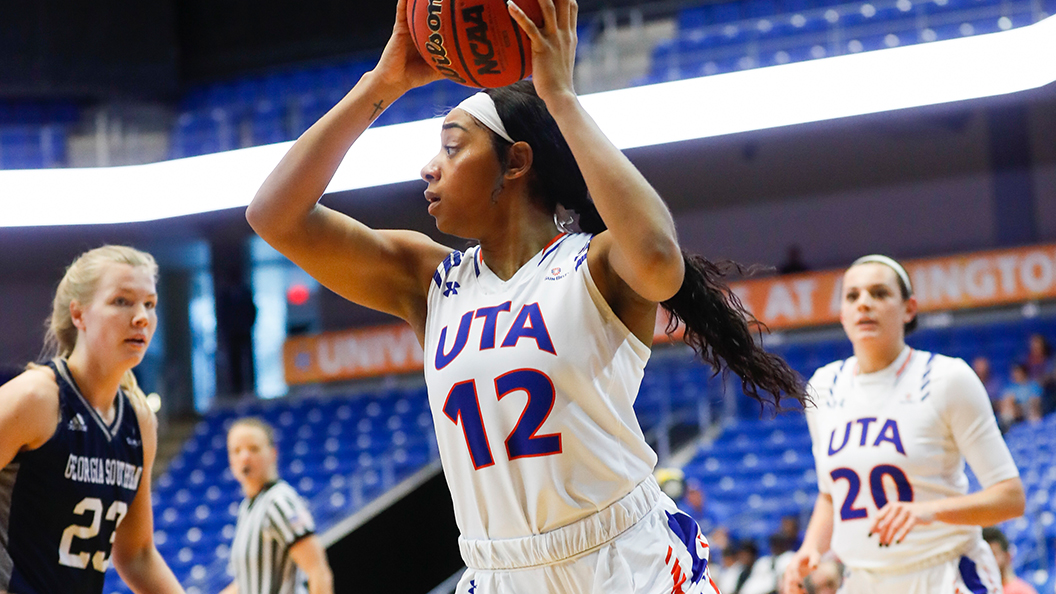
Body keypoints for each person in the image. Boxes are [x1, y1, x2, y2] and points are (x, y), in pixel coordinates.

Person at [246, 0, 806, 591]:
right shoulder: (429, 281)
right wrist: (381, 83)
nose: (427, 169)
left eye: (452, 147)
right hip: (498, 573)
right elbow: (274, 215)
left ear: (515, 162)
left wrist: (560, 97)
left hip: (620, 563)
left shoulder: (596, 262)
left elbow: (662, 260)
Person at [781, 255, 1025, 594]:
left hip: (945, 572)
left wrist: (928, 511)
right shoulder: (823, 386)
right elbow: (829, 493)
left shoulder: (946, 379)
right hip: (864, 580)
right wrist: (811, 548)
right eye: (852, 296)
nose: (864, 303)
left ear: (909, 309)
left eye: (879, 293)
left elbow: (1010, 498)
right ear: (841, 313)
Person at [0, 245, 185, 594]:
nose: (142, 316)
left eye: (150, 303)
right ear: (79, 314)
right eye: (122, 301)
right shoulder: (36, 398)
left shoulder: (138, 420)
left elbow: (138, 554)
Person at [221, 417, 332, 594]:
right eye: (236, 451)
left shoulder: (279, 502)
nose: (245, 457)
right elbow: (247, 583)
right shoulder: (247, 507)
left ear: (273, 453)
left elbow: (318, 571)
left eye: (254, 449)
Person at [982, 526, 1039, 594]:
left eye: (993, 555)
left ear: (1007, 556)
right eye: (984, 556)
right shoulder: (979, 590)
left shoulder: (1022, 592)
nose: (988, 561)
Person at [1000, 363, 1043, 427]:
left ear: (1024, 373)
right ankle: (1008, 429)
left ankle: (1034, 427)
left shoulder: (1033, 385)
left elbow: (1036, 402)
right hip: (1016, 411)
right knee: (1007, 404)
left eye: (1018, 373)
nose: (1016, 375)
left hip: (1029, 409)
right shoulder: (1011, 387)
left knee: (1033, 405)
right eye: (1015, 373)